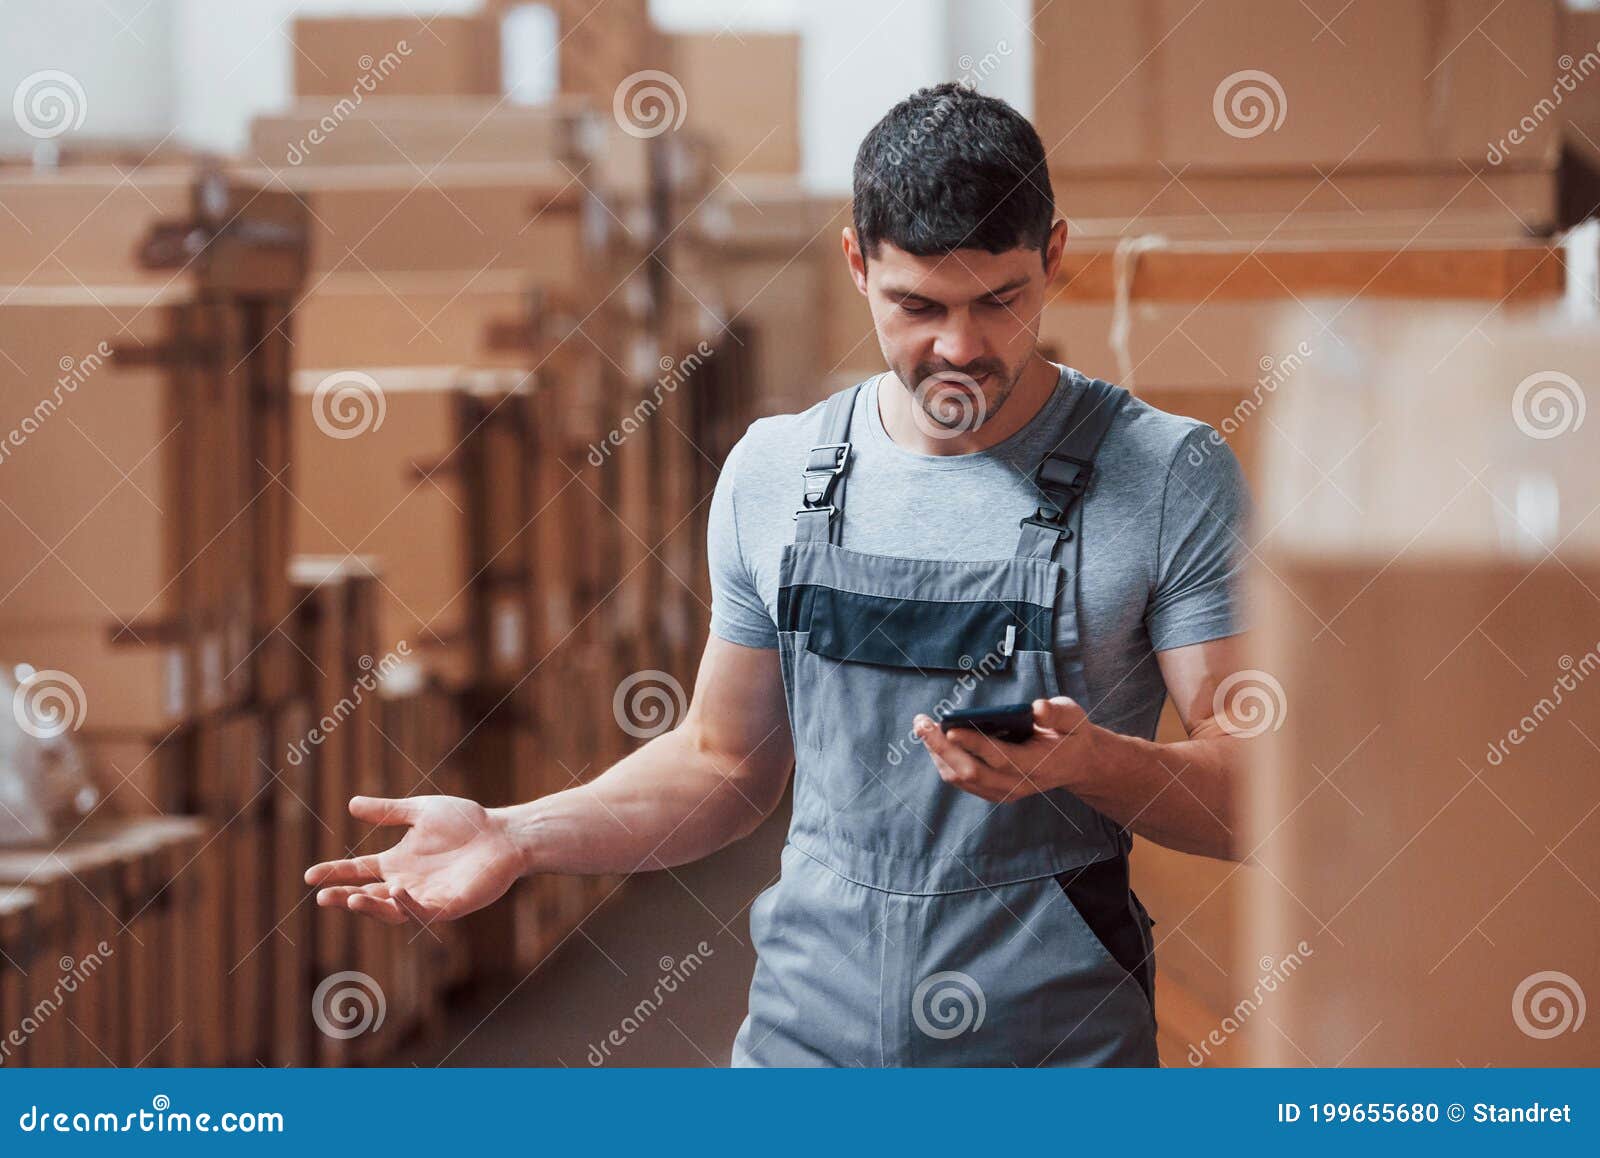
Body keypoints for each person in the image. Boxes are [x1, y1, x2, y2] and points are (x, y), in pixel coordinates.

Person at [306, 82, 1256, 1067]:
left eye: (999, 300)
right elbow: (722, 765)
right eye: (917, 306)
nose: (959, 348)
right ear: (855, 261)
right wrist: (516, 833)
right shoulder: (779, 472)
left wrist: (1090, 763)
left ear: (1053, 256)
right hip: (809, 1040)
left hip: (1048, 1050)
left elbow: (1253, 797)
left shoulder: (1165, 474)